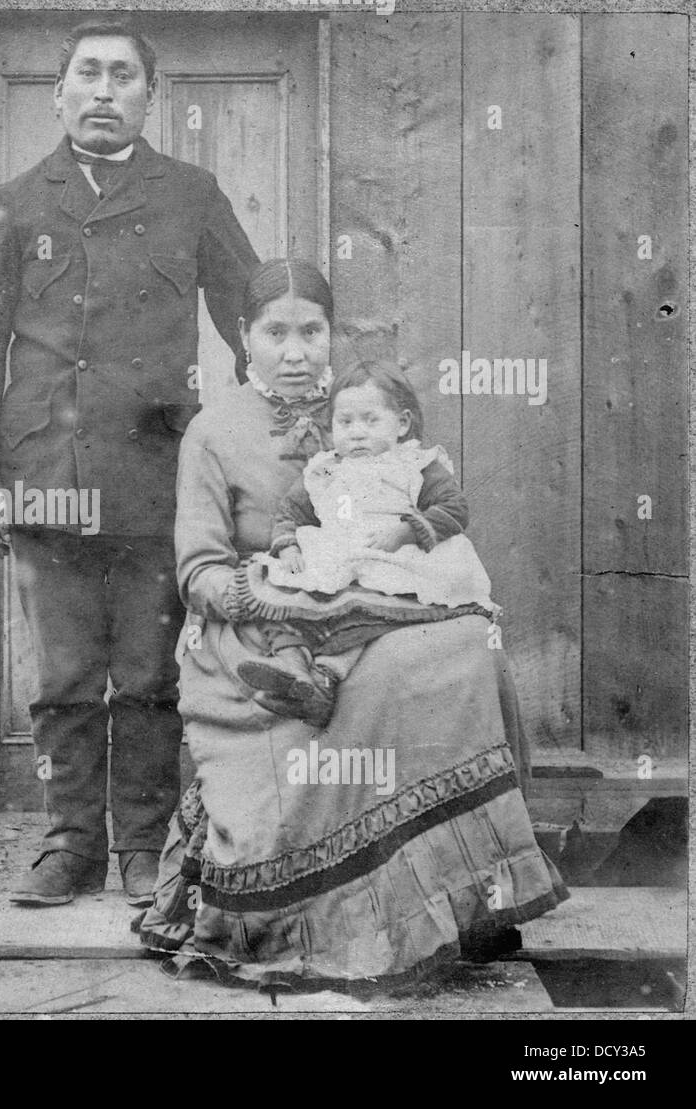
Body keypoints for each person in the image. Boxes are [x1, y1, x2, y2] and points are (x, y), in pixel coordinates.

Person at [137, 258, 568, 988]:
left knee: (469, 646)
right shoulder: (213, 431)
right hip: (261, 628)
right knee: (386, 678)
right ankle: (355, 914)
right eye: (276, 332)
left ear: (332, 335)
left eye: (312, 331)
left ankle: (473, 897)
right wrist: (271, 595)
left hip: (367, 604)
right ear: (244, 337)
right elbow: (197, 571)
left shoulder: (363, 406)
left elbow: (419, 502)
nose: (297, 351)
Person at [0, 19, 259, 907]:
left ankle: (140, 845)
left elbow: (255, 325)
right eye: (88, 73)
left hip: (156, 482)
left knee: (151, 679)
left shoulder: (192, 194)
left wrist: (249, 446)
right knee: (64, 682)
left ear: (148, 98)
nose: (104, 91)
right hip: (48, 480)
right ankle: (69, 843)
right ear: (58, 94)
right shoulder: (15, 203)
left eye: (124, 76)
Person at [233, 360, 498, 726]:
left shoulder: (414, 465)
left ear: (401, 423)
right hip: (337, 563)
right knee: (278, 595)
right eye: (345, 423)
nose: (356, 433)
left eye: (370, 421)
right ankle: (291, 663)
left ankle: (322, 680)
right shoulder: (325, 471)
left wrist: (405, 531)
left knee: (363, 618)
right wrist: (289, 547)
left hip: (390, 564)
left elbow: (455, 508)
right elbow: (291, 513)